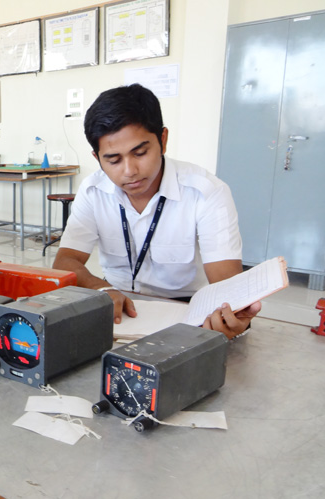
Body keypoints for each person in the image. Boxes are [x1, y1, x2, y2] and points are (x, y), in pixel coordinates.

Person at [53, 83, 260, 339]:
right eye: (113, 160)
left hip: (186, 310)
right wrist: (101, 290)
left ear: (162, 140)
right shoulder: (93, 190)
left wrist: (233, 317)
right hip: (117, 307)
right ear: (97, 158)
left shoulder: (205, 192)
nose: (129, 171)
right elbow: (65, 261)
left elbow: (227, 285)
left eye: (140, 153)